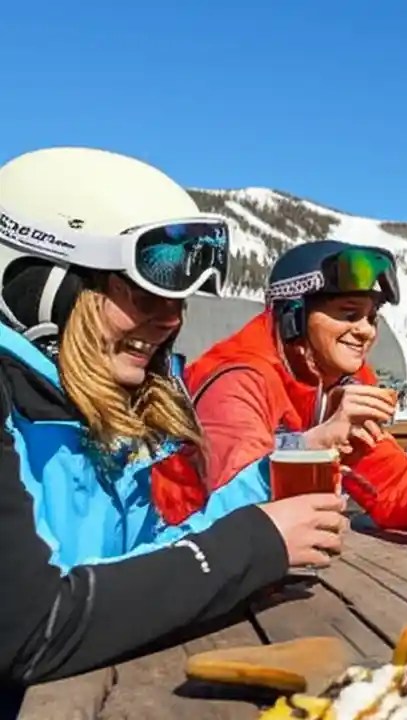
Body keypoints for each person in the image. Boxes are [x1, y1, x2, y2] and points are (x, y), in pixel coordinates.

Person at [0, 147, 344, 706]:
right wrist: (254, 544)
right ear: (42, 285)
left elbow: (136, 563)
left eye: (179, 298)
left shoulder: (101, 410)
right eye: (144, 292)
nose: (172, 318)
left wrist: (271, 479)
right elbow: (29, 627)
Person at [151, 240, 407, 533]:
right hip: (181, 557)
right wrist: (317, 442)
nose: (367, 331)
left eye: (372, 317)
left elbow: (393, 490)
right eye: (348, 313)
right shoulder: (239, 378)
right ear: (294, 316)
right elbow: (236, 505)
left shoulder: (344, 386)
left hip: (269, 561)